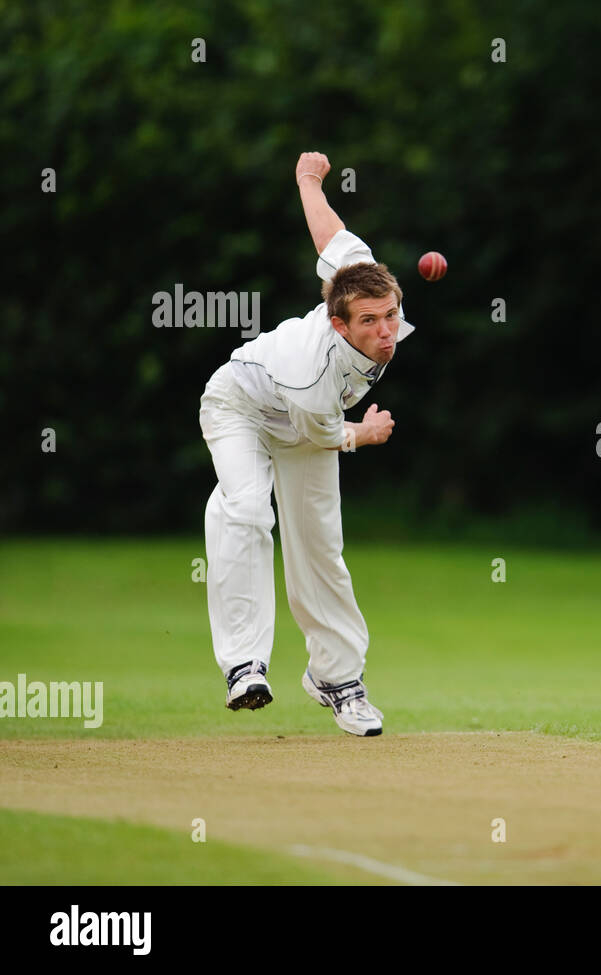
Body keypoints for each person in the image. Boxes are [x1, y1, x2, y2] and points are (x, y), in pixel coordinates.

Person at [198, 151, 406, 737]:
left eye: (390, 316)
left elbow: (331, 237)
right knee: (245, 509)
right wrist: (364, 433)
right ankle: (244, 665)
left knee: (319, 546)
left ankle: (338, 681)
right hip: (242, 404)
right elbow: (328, 432)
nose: (385, 331)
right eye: (369, 322)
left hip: (306, 421)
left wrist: (308, 181)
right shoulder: (312, 371)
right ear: (338, 324)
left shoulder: (368, 285)